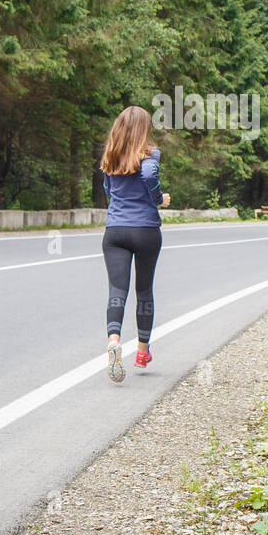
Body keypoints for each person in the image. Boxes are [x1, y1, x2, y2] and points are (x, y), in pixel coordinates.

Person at [99, 105, 170, 383]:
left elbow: (107, 189)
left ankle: (114, 340)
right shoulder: (150, 154)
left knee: (117, 289)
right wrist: (158, 198)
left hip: (115, 230)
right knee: (144, 289)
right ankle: (142, 351)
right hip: (145, 230)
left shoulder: (111, 156)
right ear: (144, 130)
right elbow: (150, 176)